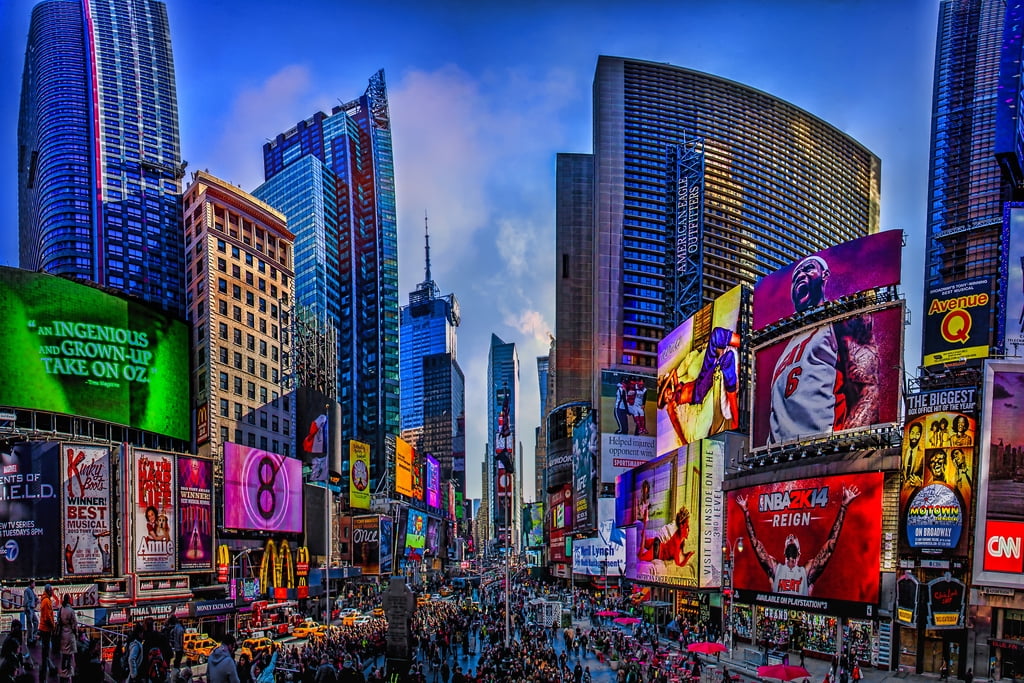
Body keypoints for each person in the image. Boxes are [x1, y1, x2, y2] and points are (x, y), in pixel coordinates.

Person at [767, 254, 879, 445]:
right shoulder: (785, 344)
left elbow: (868, 387)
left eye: (808, 269)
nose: (800, 275)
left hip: (823, 449)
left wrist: (846, 446)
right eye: (795, 277)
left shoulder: (840, 320)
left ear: (824, 275)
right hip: (781, 460)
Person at [736, 485, 861, 596]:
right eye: (789, 539)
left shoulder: (806, 571)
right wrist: (746, 512)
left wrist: (844, 507)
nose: (791, 537)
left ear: (799, 551)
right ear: (784, 550)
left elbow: (829, 547)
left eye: (794, 539)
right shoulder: (775, 568)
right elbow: (755, 543)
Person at [637, 505, 696, 570]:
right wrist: (688, 556)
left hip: (657, 542)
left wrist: (686, 555)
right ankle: (644, 523)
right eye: (687, 527)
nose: (689, 530)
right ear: (681, 527)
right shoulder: (677, 543)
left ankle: (644, 522)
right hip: (657, 552)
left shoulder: (677, 537)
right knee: (640, 557)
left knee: (643, 541)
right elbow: (679, 563)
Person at [57, 594, 77, 683]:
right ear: (69, 600)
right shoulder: (70, 610)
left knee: (64, 655)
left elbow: (58, 621)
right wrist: (76, 633)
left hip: (62, 634)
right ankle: (67, 673)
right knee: (69, 655)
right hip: (69, 634)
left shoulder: (61, 609)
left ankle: (63, 672)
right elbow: (74, 623)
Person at [38, 584, 55, 679]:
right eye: (51, 590)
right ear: (48, 590)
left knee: (45, 650)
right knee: (46, 650)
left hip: (44, 628)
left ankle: (46, 665)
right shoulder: (46, 601)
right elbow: (48, 617)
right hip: (46, 629)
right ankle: (45, 669)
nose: (52, 592)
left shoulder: (45, 600)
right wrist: (53, 625)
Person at [902, 422, 925, 490]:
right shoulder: (904, 452)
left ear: (920, 435)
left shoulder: (922, 455)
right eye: (912, 433)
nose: (914, 437)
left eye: (917, 434)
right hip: (903, 491)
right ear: (909, 434)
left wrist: (920, 483)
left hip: (914, 492)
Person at [22, 580, 37, 647]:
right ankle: (30, 638)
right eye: (34, 584)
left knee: (36, 621)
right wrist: (27, 608)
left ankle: (33, 635)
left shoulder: (31, 590)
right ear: (31, 584)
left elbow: (34, 597)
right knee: (29, 624)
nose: (35, 585)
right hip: (29, 609)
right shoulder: (27, 590)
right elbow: (26, 600)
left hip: (32, 609)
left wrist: (37, 599)